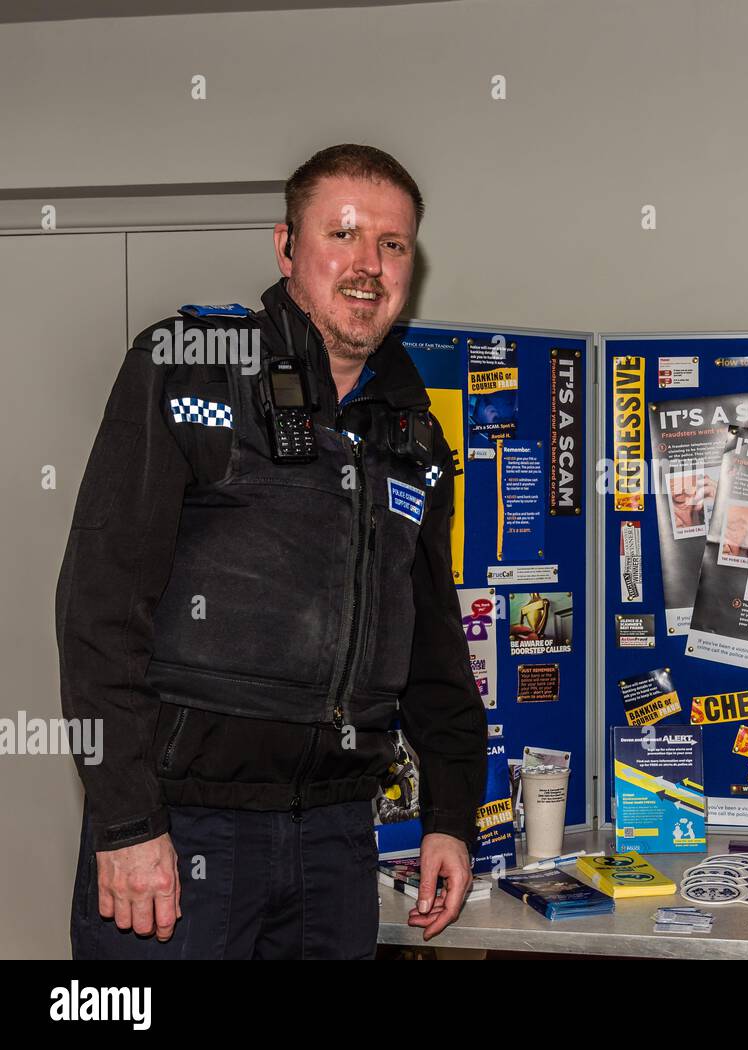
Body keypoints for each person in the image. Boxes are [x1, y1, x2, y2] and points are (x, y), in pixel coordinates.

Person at [57, 144, 488, 959]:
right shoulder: (188, 369)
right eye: (344, 235)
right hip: (182, 830)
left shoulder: (414, 435)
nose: (369, 265)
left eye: (392, 246)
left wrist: (451, 820)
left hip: (335, 837)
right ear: (288, 248)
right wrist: (125, 821)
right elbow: (98, 611)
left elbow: (434, 647)